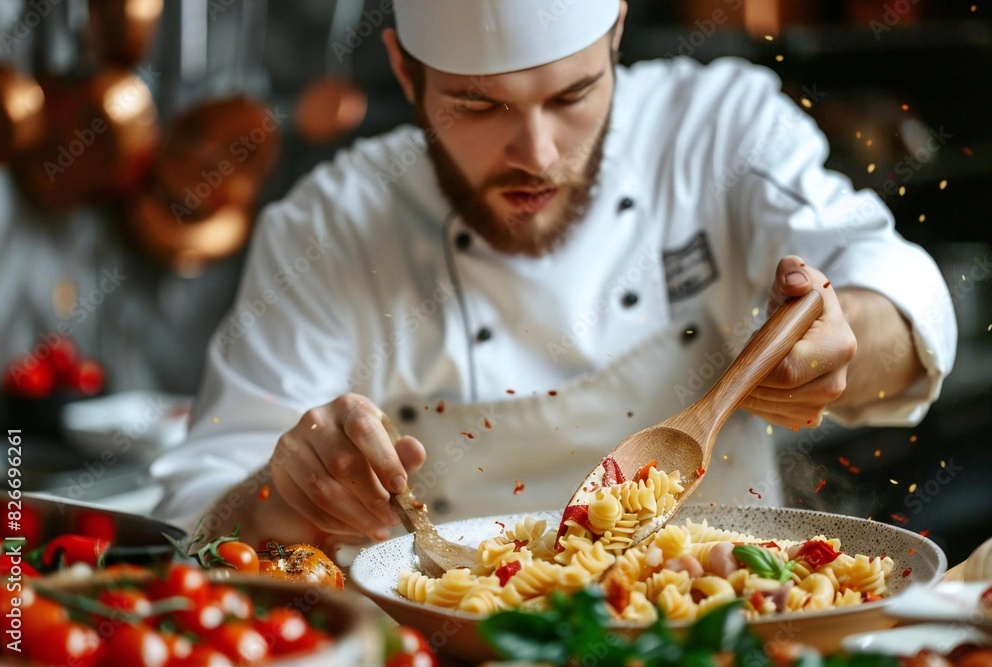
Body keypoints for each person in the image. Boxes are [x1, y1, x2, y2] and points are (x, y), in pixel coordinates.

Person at [150, 0, 956, 551]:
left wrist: (846, 337)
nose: (536, 155)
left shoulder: (718, 130)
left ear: (615, 40)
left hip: (730, 628)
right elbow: (200, 520)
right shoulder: (329, 225)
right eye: (477, 106)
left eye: (572, 94)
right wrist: (285, 491)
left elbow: (893, 290)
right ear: (405, 74)